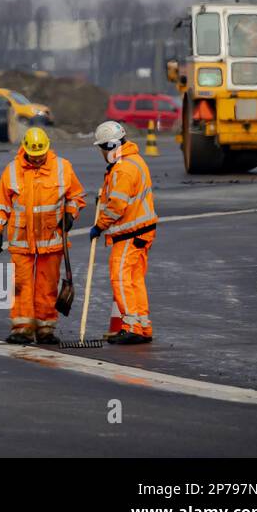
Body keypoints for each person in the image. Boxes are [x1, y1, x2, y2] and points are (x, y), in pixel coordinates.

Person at [0, 126, 86, 345]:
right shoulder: (12, 170)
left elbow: (76, 196)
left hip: (51, 239)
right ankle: (22, 328)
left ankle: (45, 329)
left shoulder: (63, 167)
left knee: (47, 286)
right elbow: (0, 204)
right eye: (33, 156)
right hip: (22, 240)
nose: (37, 159)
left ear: (47, 150)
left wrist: (71, 214)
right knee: (22, 285)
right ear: (25, 151)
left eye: (40, 155)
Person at [91, 120, 158, 344]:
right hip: (141, 232)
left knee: (120, 278)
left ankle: (132, 326)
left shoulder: (124, 169)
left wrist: (99, 226)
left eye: (101, 148)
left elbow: (117, 206)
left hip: (130, 233)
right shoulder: (133, 161)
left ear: (110, 147)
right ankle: (142, 325)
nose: (101, 153)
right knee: (135, 279)